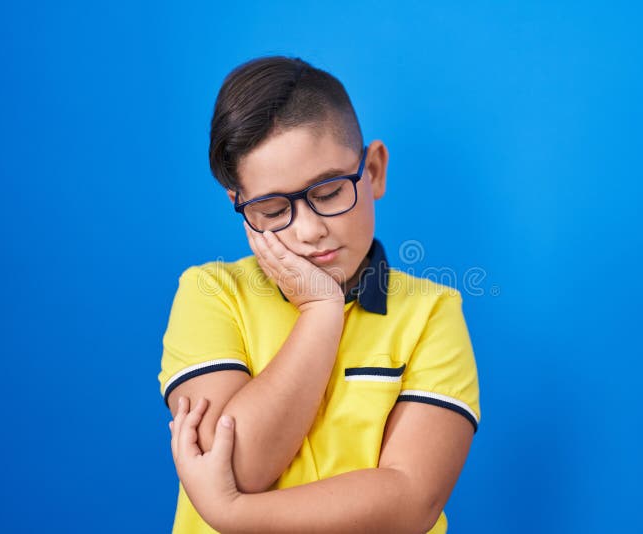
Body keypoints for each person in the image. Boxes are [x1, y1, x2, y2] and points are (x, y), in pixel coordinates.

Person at [159, 55, 481, 533]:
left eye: (328, 192)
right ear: (241, 207)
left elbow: (410, 501)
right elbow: (237, 467)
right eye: (271, 208)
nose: (310, 231)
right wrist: (321, 313)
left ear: (372, 171)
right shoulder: (210, 293)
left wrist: (233, 513)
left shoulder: (432, 314)